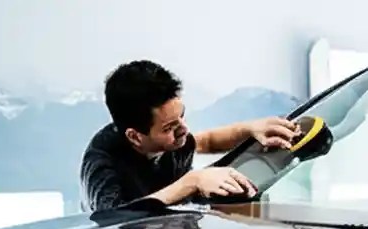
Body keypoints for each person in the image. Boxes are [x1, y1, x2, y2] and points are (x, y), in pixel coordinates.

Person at [80, 60, 299, 212]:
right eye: (169, 127)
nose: (183, 130)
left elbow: (207, 141)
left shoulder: (175, 140)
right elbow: (110, 219)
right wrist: (192, 182)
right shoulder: (102, 164)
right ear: (135, 137)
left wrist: (250, 129)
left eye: (182, 117)